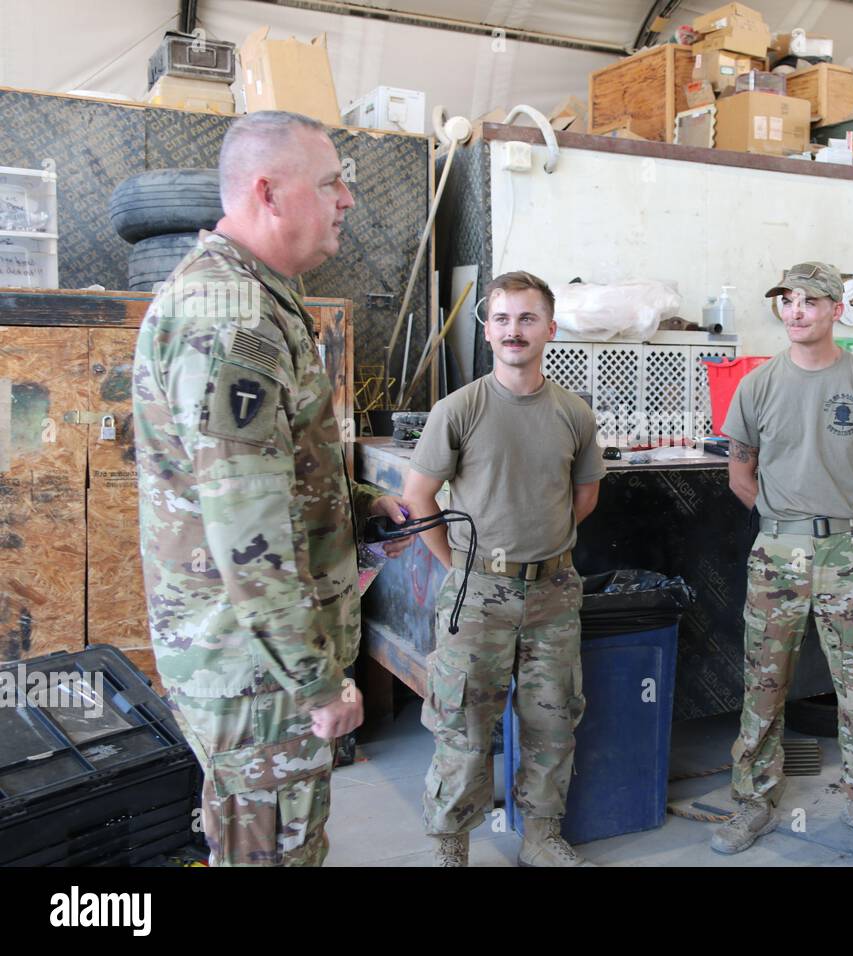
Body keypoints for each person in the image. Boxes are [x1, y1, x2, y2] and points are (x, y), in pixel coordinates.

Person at [133, 110, 412, 866]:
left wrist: (357, 506)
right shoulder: (234, 323)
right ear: (269, 193)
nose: (348, 200)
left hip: (252, 660)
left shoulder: (255, 298)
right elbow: (247, 539)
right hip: (260, 675)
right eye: (331, 183)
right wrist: (320, 686)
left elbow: (261, 479)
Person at [402, 270, 605, 867]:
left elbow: (584, 496)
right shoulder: (458, 409)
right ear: (486, 330)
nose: (513, 330)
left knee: (552, 719)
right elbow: (419, 498)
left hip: (553, 593)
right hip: (477, 591)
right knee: (464, 724)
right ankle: (451, 844)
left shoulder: (574, 412)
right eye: (502, 318)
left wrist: (544, 549)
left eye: (527, 318)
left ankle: (542, 836)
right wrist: (458, 567)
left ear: (550, 328)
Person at [711, 262, 853, 855]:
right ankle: (753, 800)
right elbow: (739, 473)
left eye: (809, 301)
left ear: (835, 310)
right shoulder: (758, 384)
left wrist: (843, 526)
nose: (795, 311)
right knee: (764, 681)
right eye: (787, 301)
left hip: (850, 552)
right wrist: (785, 525)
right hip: (777, 549)